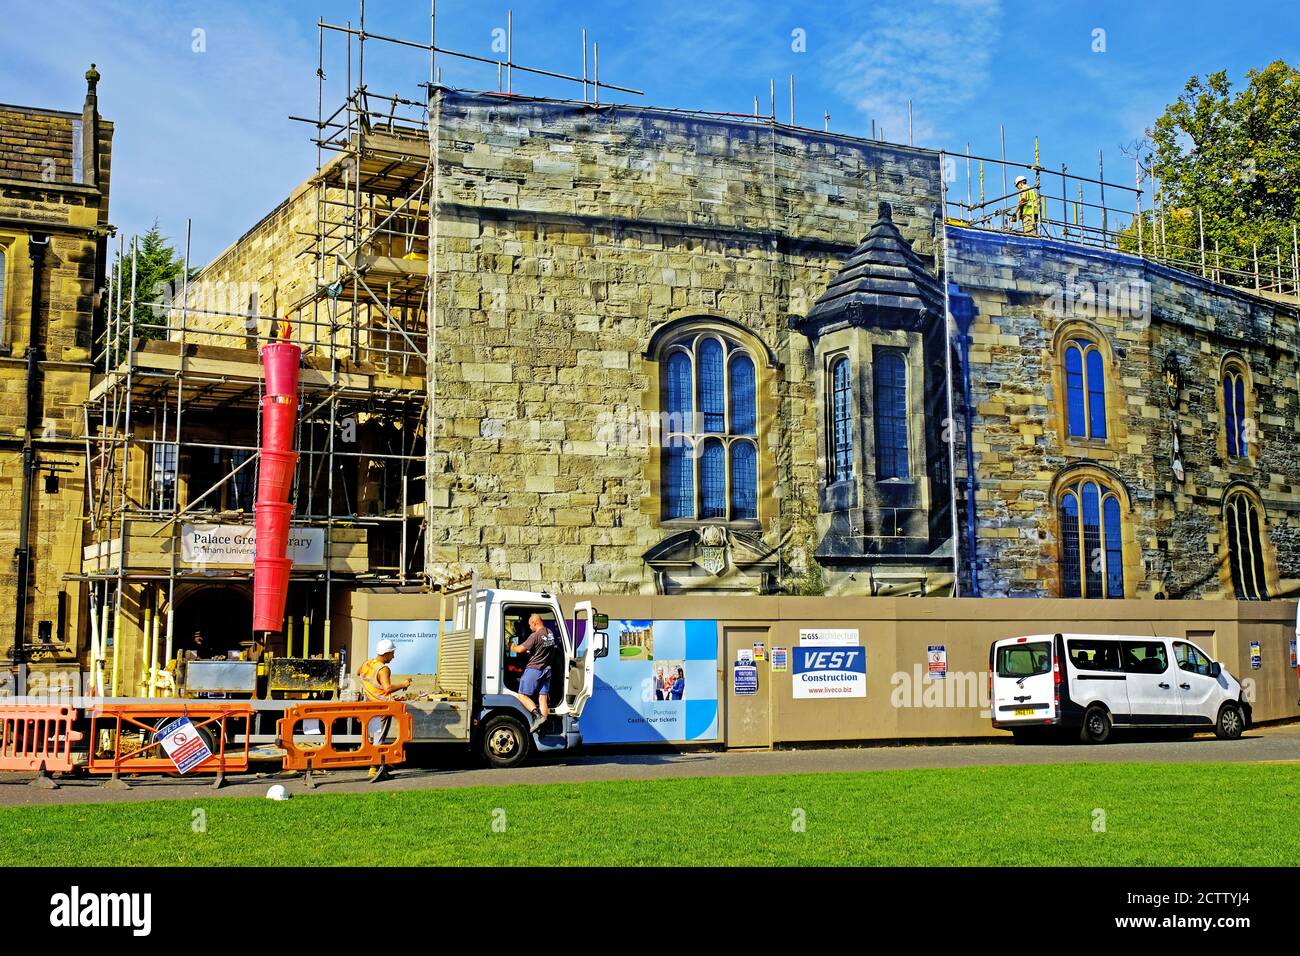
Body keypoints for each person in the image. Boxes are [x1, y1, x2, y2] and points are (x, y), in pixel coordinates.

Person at [357, 638, 412, 776]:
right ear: (386, 653)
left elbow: (359, 673)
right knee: (379, 738)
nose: (393, 657)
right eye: (392, 653)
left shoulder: (367, 663)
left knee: (374, 736)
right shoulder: (384, 669)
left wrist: (372, 688)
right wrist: (403, 685)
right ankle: (374, 768)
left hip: (369, 706)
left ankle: (380, 762)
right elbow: (387, 688)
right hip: (381, 708)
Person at [507, 613, 557, 732]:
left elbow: (519, 649)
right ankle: (543, 725)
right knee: (542, 698)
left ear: (535, 623)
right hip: (547, 670)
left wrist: (510, 645)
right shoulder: (550, 633)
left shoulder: (535, 636)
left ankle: (537, 716)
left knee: (522, 695)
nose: (529, 627)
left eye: (530, 625)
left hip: (534, 669)